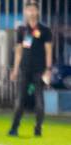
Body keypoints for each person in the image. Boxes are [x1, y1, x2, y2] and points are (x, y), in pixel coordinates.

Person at [9, 2, 54, 137]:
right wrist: (15, 69)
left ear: (37, 12)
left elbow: (48, 51)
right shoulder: (22, 30)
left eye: (33, 10)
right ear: (25, 12)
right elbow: (18, 52)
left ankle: (38, 128)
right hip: (24, 69)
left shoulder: (45, 30)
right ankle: (14, 128)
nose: (31, 12)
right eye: (28, 10)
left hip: (39, 71)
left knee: (39, 102)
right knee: (19, 101)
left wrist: (48, 69)